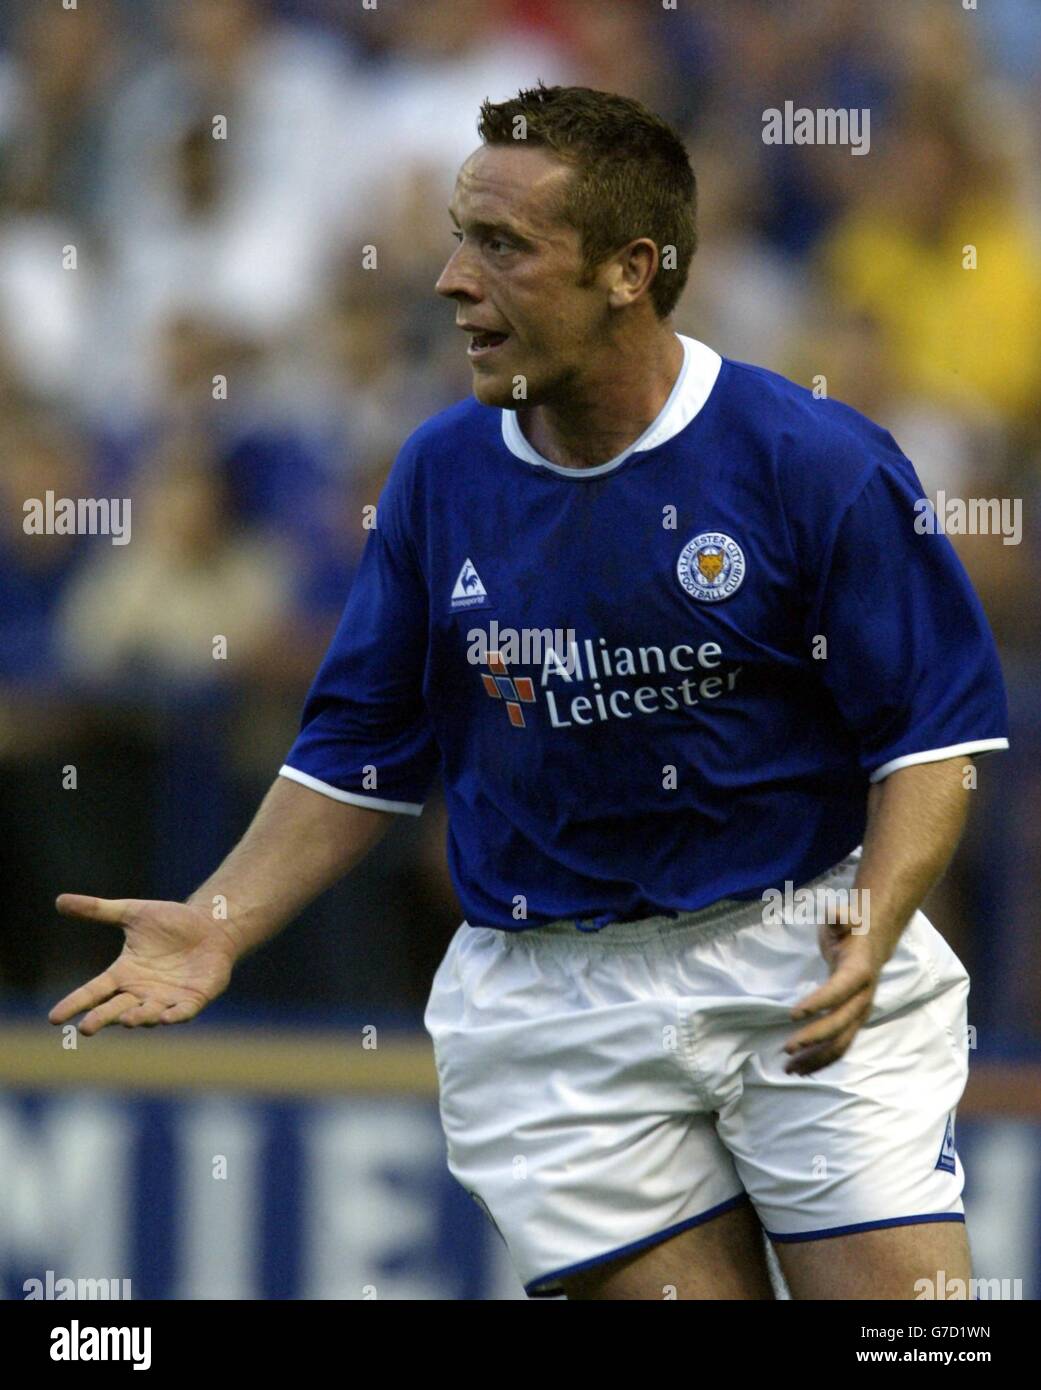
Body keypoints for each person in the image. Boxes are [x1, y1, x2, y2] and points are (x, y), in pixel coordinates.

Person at [50, 84, 1009, 1301]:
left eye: (501, 245)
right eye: (458, 233)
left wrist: (874, 920)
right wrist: (223, 917)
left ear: (630, 269)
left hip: (805, 953)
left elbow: (935, 738)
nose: (452, 278)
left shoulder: (811, 459)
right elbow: (361, 745)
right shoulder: (440, 473)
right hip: (553, 1001)